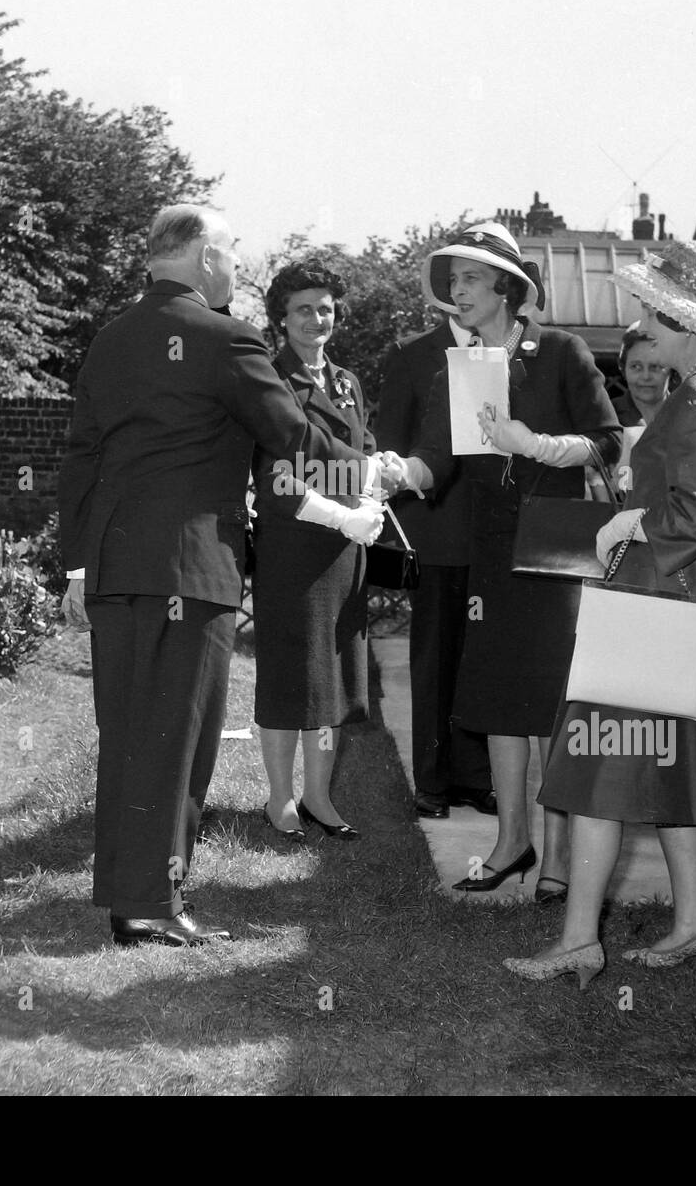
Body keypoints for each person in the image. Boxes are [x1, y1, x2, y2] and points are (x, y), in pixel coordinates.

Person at [58, 205, 388, 949]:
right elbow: (293, 436)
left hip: (115, 569)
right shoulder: (227, 336)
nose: (239, 268)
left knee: (130, 733)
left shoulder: (108, 341)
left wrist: (77, 566)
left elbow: (79, 458)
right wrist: (371, 471)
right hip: (192, 568)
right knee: (180, 738)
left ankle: (125, 889)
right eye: (234, 253)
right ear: (205, 258)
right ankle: (153, 901)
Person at [509, 240, 696, 988]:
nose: (641, 320)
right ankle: (695, 919)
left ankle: (578, 940)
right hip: (680, 613)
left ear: (684, 320)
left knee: (594, 769)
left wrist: (626, 525)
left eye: (652, 309)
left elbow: (694, 513)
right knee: (669, 772)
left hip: (651, 611)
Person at [385, 222, 621, 902]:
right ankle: (512, 843)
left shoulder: (564, 353)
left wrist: (537, 444)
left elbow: (607, 442)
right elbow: (434, 462)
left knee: (552, 704)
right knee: (497, 701)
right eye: (453, 280)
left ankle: (560, 859)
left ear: (507, 289)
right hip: (490, 548)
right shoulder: (458, 370)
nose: (457, 292)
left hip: (558, 546)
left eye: (471, 279)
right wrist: (386, 473)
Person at [252, 260, 377, 841]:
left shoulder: (348, 382)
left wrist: (370, 506)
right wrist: (341, 515)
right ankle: (279, 799)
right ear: (281, 318)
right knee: (289, 677)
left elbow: (368, 453)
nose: (316, 318)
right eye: (303, 308)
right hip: (294, 546)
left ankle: (319, 798)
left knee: (330, 680)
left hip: (346, 551)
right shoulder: (269, 377)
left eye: (325, 307)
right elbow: (278, 471)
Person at [376, 299, 494, 821]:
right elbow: (392, 448)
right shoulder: (411, 355)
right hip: (437, 534)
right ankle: (432, 781)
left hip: (497, 537)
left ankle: (475, 778)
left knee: (483, 660)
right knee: (434, 660)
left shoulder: (512, 348)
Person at [604, 322, 672, 499]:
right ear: (623, 369)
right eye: (636, 367)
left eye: (656, 367)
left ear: (671, 370)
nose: (646, 376)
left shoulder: (690, 415)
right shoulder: (608, 417)